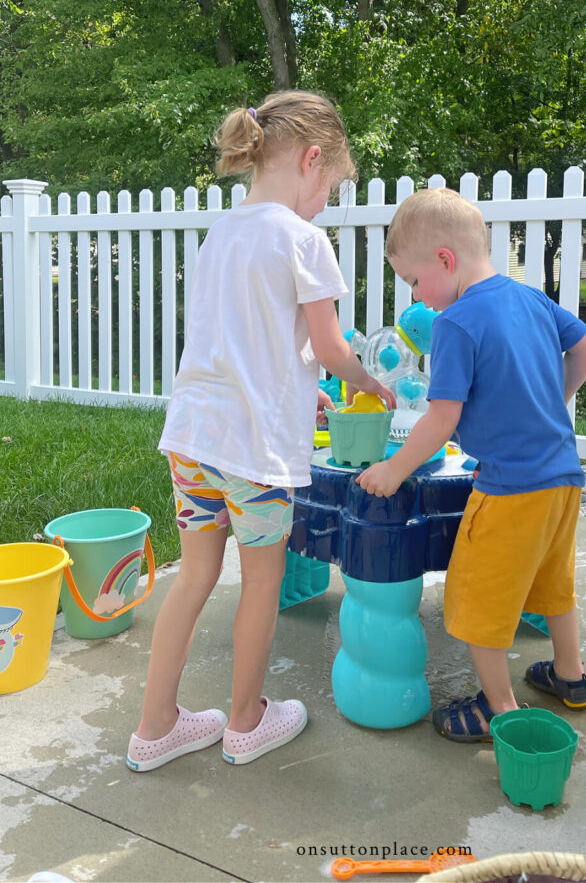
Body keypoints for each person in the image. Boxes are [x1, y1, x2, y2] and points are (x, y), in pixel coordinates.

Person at [126, 91, 396, 772]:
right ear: (312, 161)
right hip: (254, 457)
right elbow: (331, 350)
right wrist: (367, 382)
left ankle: (156, 726)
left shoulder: (223, 231)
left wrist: (298, 392)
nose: (324, 205)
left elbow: (246, 343)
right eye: (329, 188)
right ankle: (245, 719)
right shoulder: (304, 241)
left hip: (192, 439)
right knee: (260, 582)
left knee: (192, 579)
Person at [357, 188, 586, 741]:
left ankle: (500, 709)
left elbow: (442, 418)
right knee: (553, 582)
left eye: (415, 282)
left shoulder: (456, 323)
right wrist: (549, 402)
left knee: (477, 599)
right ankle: (570, 676)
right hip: (564, 480)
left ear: (444, 260)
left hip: (511, 489)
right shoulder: (532, 298)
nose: (418, 297)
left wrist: (394, 470)